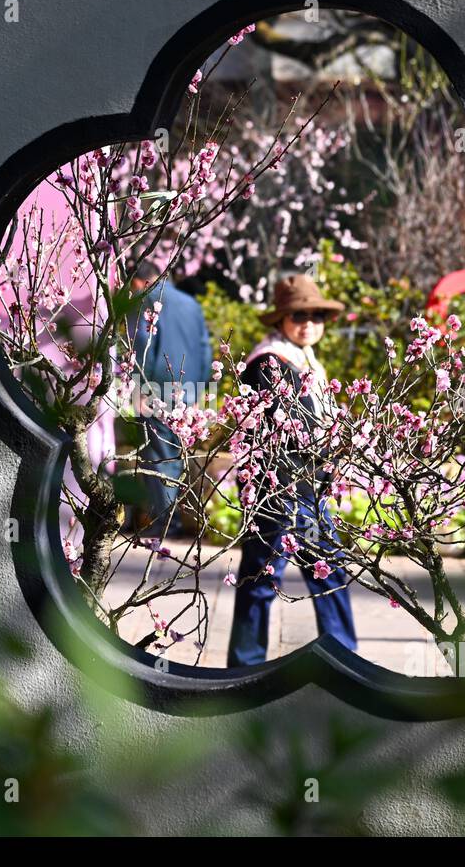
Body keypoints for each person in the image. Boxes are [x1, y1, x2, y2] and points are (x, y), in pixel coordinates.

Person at [226, 273, 359, 666]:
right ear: (282, 320)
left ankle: (343, 655)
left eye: (316, 315)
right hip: (277, 489)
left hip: (306, 488)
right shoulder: (270, 362)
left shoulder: (305, 361)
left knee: (328, 570)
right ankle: (246, 663)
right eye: (298, 315)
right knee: (263, 576)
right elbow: (291, 429)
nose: (308, 323)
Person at [126, 261, 212, 538]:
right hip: (190, 388)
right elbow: (204, 348)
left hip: (157, 390)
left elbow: (142, 346)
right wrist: (199, 393)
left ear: (139, 282)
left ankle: (166, 522)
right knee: (176, 454)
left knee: (161, 456)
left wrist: (139, 389)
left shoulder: (146, 300)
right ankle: (171, 517)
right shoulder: (191, 303)